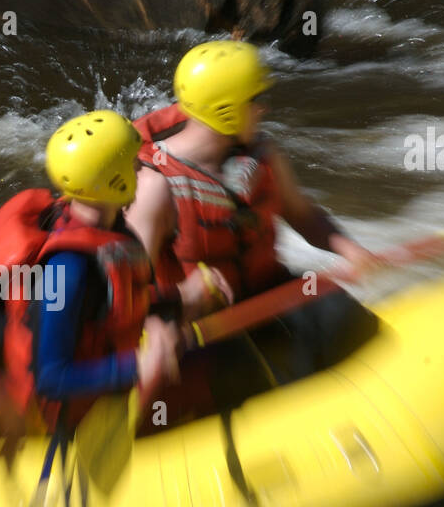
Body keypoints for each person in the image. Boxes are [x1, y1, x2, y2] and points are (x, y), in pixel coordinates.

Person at [126, 40, 383, 398]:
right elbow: (123, 291)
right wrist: (174, 306)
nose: (262, 109)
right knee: (253, 375)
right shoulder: (155, 189)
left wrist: (350, 250)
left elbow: (303, 215)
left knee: (346, 317)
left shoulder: (263, 155)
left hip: (270, 295)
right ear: (225, 110)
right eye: (254, 100)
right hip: (206, 328)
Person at [0, 110, 180, 435]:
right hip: (70, 420)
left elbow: (122, 301)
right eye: (135, 164)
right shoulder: (68, 270)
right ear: (113, 179)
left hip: (112, 380)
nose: (143, 170)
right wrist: (135, 367)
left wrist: (161, 316)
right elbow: (50, 377)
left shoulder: (113, 227)